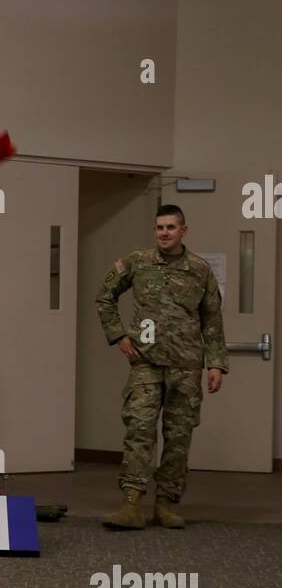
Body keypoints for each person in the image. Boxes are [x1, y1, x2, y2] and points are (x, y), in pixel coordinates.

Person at [95, 204, 227, 530]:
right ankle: (132, 504)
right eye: (159, 228)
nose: (164, 233)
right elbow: (104, 296)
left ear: (184, 230)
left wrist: (217, 364)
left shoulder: (200, 270)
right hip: (146, 364)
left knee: (178, 437)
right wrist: (119, 336)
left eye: (170, 227)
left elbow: (212, 319)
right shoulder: (138, 262)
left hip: (185, 367)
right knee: (139, 430)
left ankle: (166, 504)